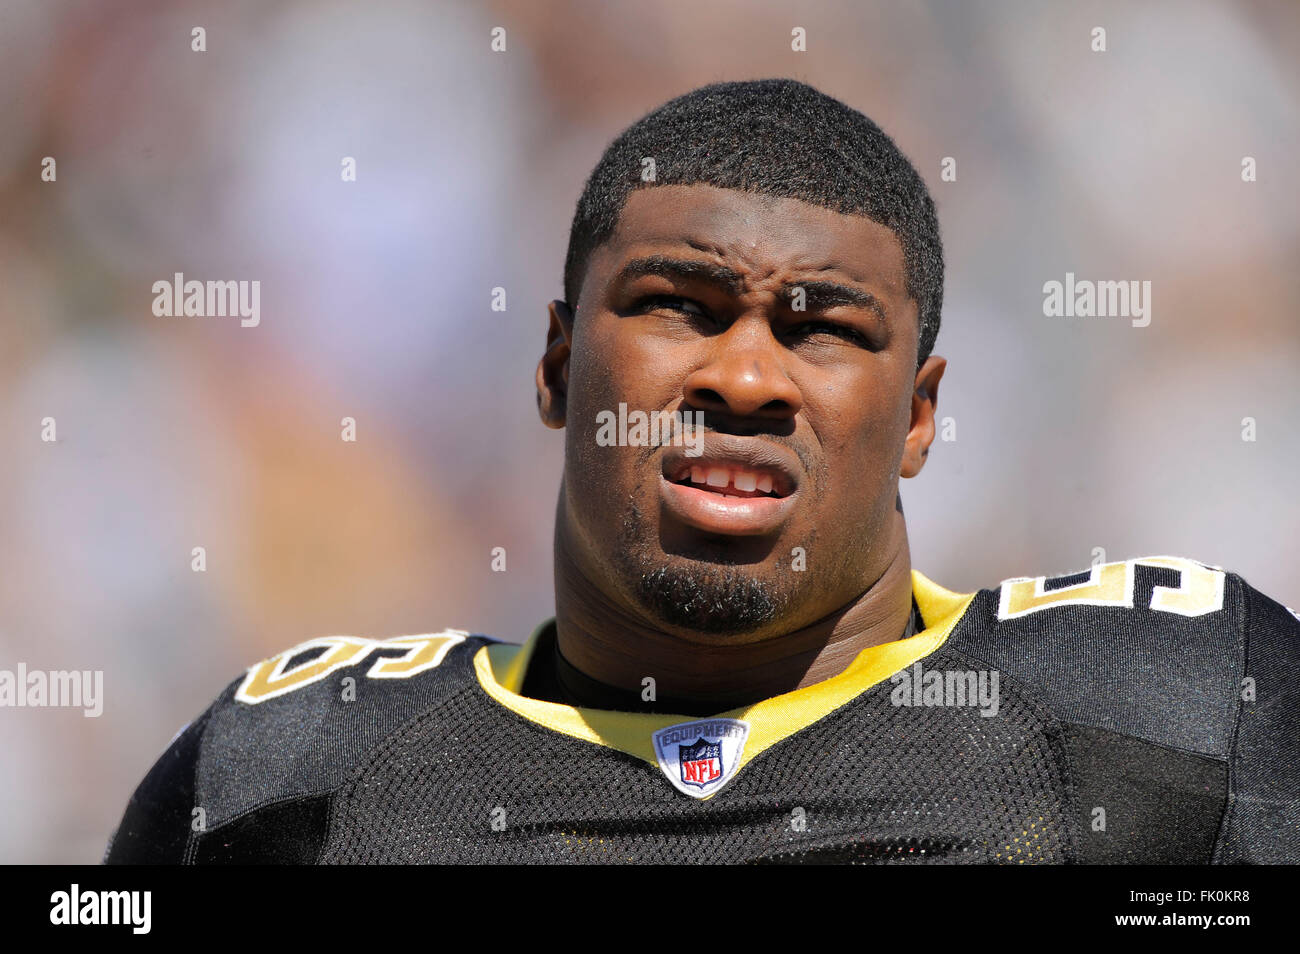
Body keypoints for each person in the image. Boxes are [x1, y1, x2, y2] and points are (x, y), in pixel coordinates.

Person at [105, 78, 1298, 864]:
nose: (746, 377)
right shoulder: (289, 784)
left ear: (919, 417)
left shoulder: (1171, 725)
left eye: (822, 328)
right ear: (557, 366)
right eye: (680, 305)